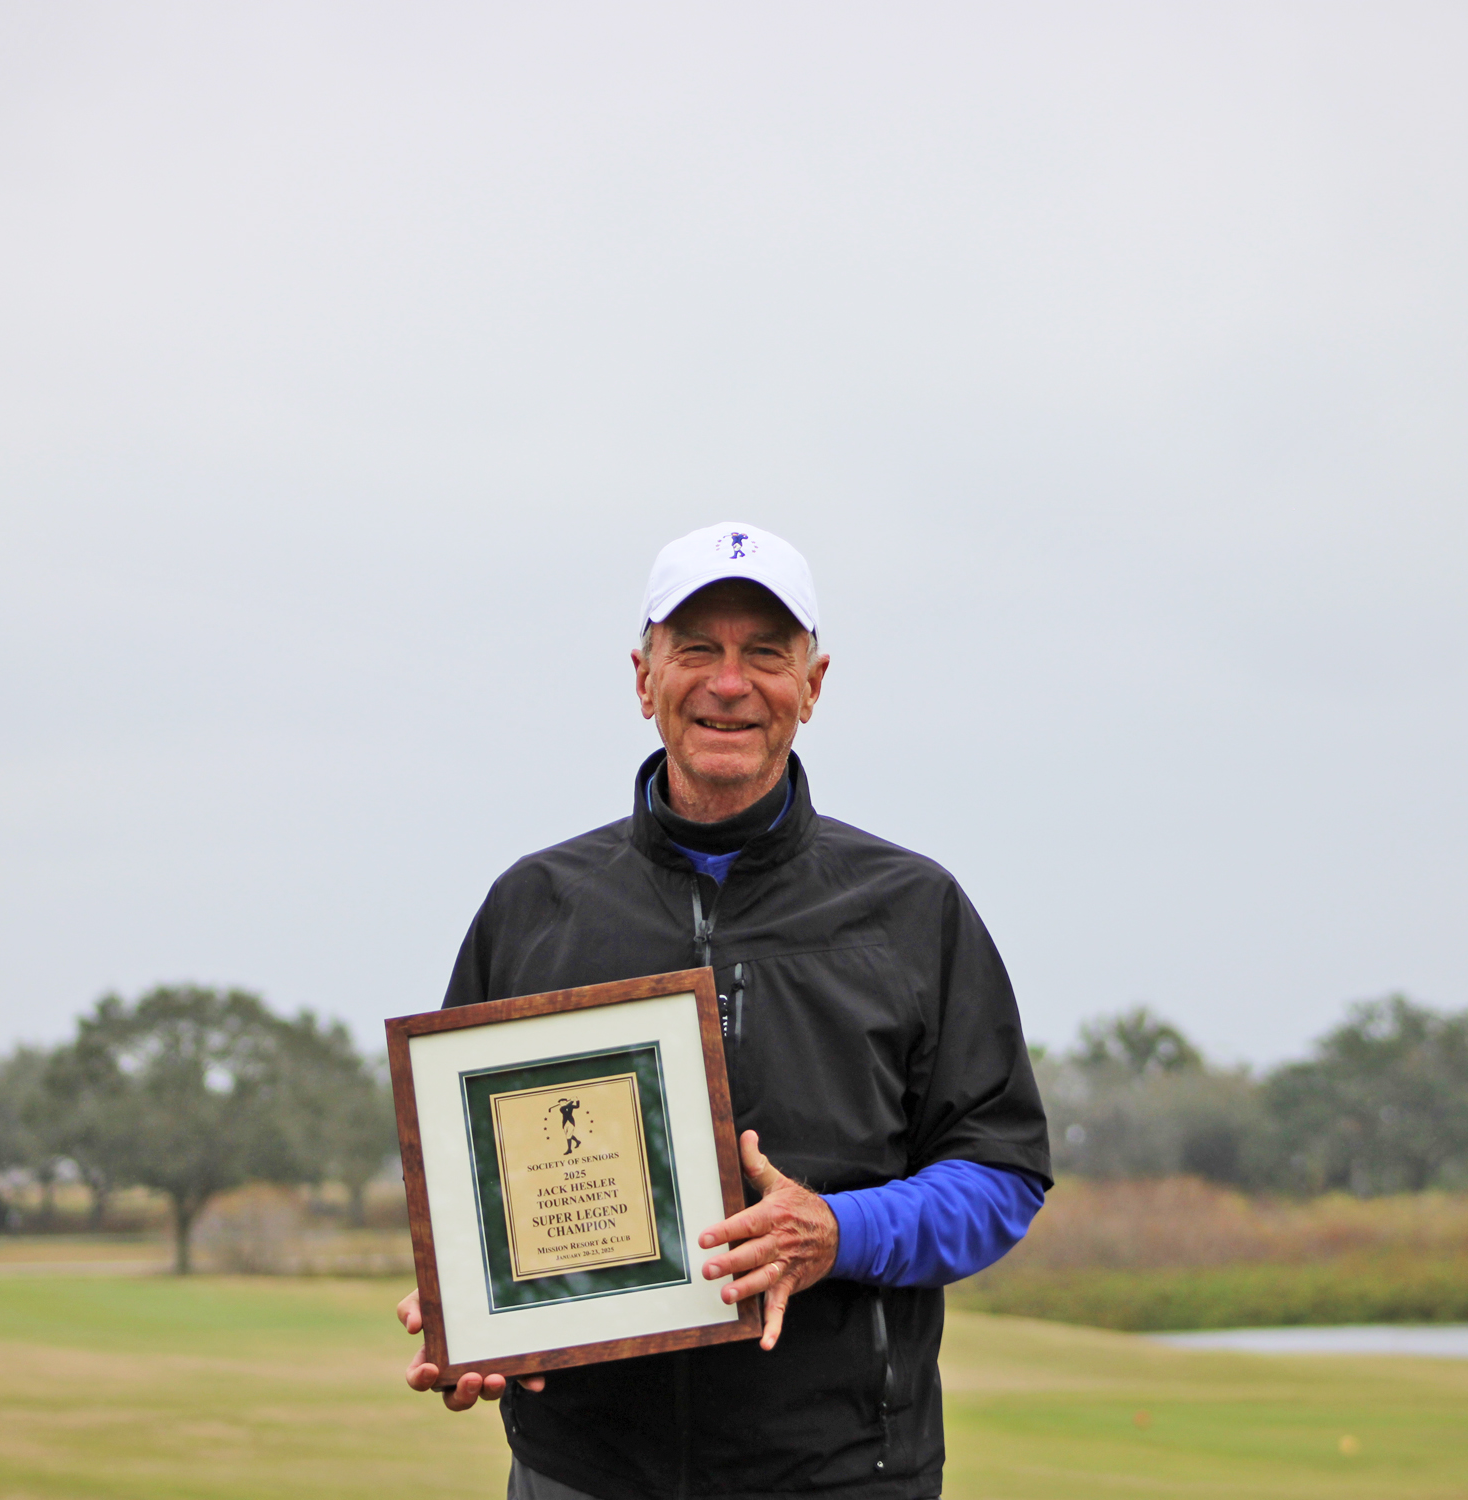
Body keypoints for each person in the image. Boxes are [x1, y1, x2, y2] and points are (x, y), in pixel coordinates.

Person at [397, 523, 1050, 1500]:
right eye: (695, 648)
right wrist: (477, 1314)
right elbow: (478, 1197)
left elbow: (1001, 1173)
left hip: (839, 1472)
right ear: (641, 675)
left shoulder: (913, 911)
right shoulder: (533, 908)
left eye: (765, 654)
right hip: (582, 1473)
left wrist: (836, 1231)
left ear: (813, 685)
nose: (729, 683)